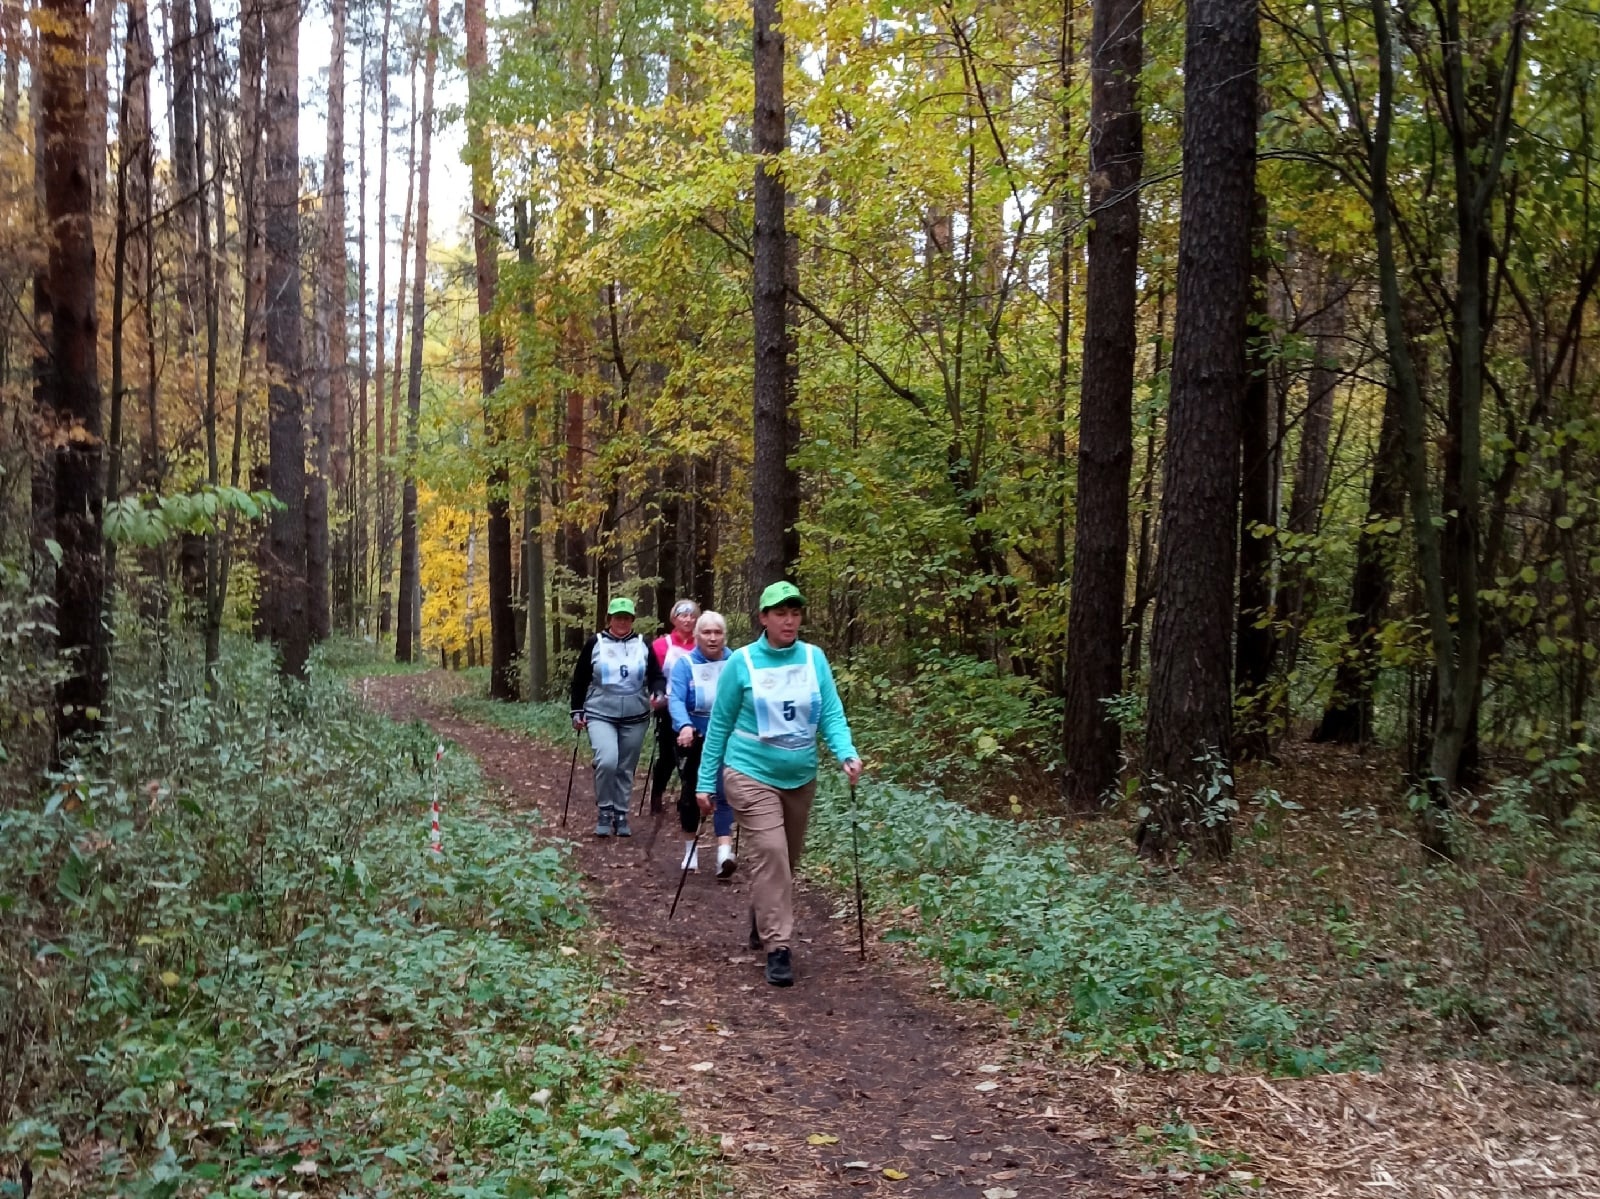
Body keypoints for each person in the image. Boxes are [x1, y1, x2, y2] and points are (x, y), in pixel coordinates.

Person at [697, 581, 863, 987]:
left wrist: (846, 752)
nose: (789, 620)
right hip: (749, 771)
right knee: (771, 853)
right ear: (763, 618)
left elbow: (831, 714)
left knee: (786, 860)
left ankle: (763, 915)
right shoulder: (744, 663)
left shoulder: (813, 658)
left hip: (800, 776)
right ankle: (779, 948)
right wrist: (705, 781)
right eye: (780, 613)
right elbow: (719, 724)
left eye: (795, 613)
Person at [569, 596, 666, 837]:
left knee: (626, 766)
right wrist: (576, 710)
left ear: (632, 619)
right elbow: (580, 678)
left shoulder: (644, 643)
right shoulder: (595, 642)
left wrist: (658, 691)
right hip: (601, 710)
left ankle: (621, 812)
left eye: (626, 617)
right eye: (617, 617)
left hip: (636, 713)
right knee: (607, 760)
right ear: (609, 619)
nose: (622, 621)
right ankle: (604, 810)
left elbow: (655, 675)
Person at [668, 610, 735, 878]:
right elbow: (675, 700)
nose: (712, 638)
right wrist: (683, 725)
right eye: (706, 632)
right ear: (697, 636)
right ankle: (690, 850)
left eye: (717, 632)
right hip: (695, 737)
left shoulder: (735, 661)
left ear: (724, 636)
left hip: (728, 739)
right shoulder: (685, 664)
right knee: (692, 795)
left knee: (724, 792)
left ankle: (723, 856)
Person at [648, 599, 700, 813]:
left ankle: (687, 798)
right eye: (683, 615)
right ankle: (657, 793)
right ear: (674, 618)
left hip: (698, 709)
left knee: (695, 756)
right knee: (668, 757)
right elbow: (653, 675)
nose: (688, 619)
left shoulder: (704, 643)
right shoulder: (661, 646)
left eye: (692, 615)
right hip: (668, 708)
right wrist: (656, 695)